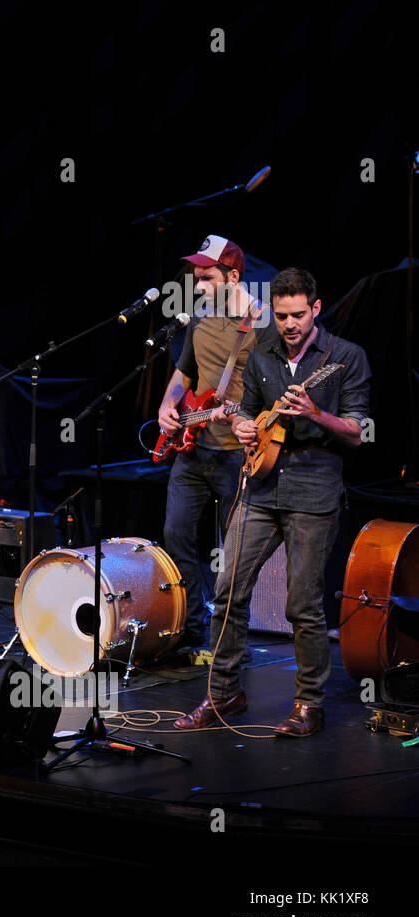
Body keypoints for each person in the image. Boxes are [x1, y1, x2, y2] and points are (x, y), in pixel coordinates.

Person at [174, 267, 370, 736]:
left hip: (313, 487)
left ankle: (309, 704)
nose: (289, 324)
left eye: (298, 314)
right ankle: (223, 695)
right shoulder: (263, 354)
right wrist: (243, 426)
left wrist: (316, 413)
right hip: (261, 484)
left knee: (302, 605)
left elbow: (360, 431)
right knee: (228, 593)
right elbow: (249, 407)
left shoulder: (345, 357)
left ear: (315, 309)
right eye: (281, 315)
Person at [156, 235, 268, 647]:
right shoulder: (199, 318)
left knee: (235, 557)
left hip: (238, 455)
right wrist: (167, 407)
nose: (198, 284)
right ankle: (193, 624)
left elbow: (277, 389)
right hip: (193, 447)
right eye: (196, 277)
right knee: (176, 536)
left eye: (206, 277)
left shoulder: (263, 323)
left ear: (233, 276)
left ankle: (228, 640)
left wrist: (249, 417)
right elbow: (184, 375)